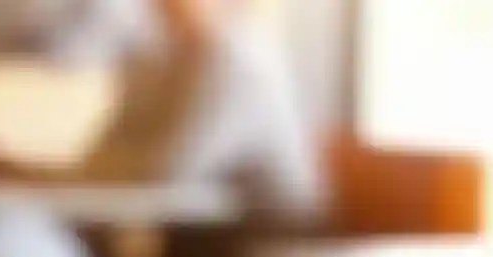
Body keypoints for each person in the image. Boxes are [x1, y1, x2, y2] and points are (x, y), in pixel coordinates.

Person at [34, 0, 325, 221]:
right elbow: (105, 154)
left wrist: (79, 175)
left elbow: (169, 169)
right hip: (206, 232)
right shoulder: (163, 60)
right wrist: (41, 174)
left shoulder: (239, 60)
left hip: (274, 242)